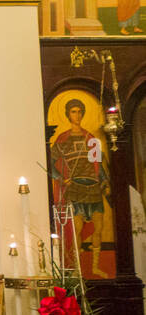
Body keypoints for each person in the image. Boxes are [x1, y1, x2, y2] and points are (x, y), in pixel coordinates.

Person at [50, 97, 110, 277]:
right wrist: (61, 179)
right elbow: (51, 164)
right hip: (75, 188)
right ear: (68, 115)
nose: (77, 115)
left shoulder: (90, 138)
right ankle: (76, 268)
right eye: (73, 112)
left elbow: (97, 163)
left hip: (93, 188)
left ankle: (94, 268)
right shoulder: (62, 139)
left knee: (98, 228)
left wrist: (105, 181)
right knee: (76, 229)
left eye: (79, 111)